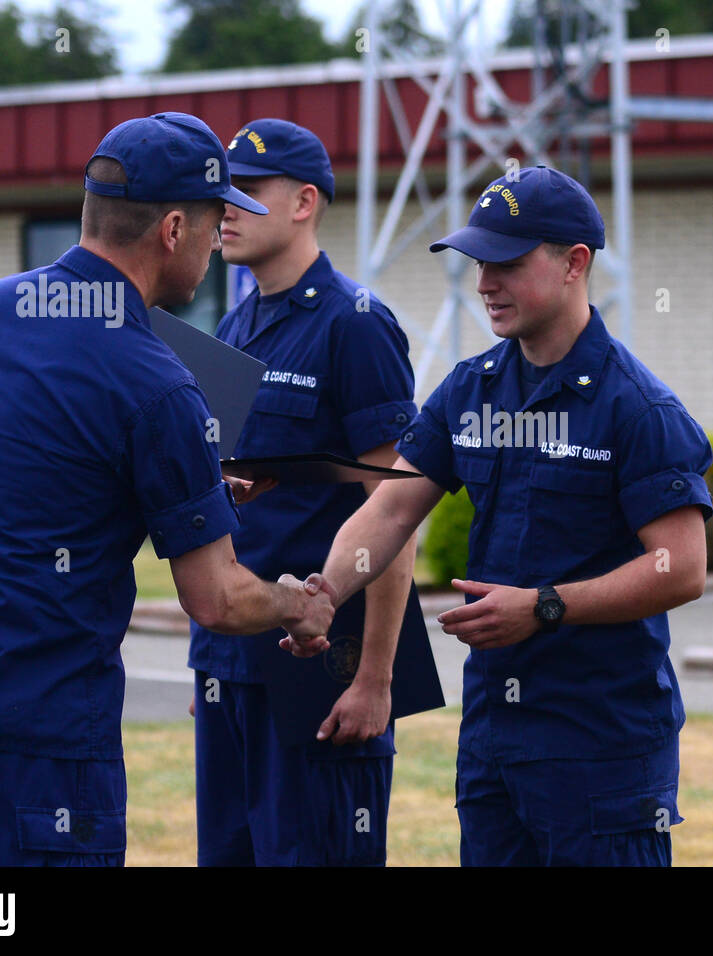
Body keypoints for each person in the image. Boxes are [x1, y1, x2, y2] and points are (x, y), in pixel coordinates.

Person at [0, 112, 334, 867]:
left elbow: (23, 471)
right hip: (35, 733)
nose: (220, 245)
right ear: (175, 228)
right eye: (218, 218)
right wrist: (297, 603)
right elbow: (218, 599)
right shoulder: (157, 383)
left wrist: (179, 487)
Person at [285, 165, 713, 866]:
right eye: (479, 261)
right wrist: (328, 590)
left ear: (575, 263)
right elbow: (392, 507)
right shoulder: (470, 388)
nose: (484, 281)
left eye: (507, 263)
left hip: (601, 749)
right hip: (493, 740)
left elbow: (683, 568)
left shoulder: (636, 408)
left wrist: (545, 606)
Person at [189, 118, 419, 867]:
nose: (226, 207)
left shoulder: (356, 326)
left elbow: (395, 508)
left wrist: (376, 677)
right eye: (223, 191)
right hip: (234, 662)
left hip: (320, 661)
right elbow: (234, 496)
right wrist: (216, 664)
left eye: (249, 192)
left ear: (304, 202)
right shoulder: (234, 320)